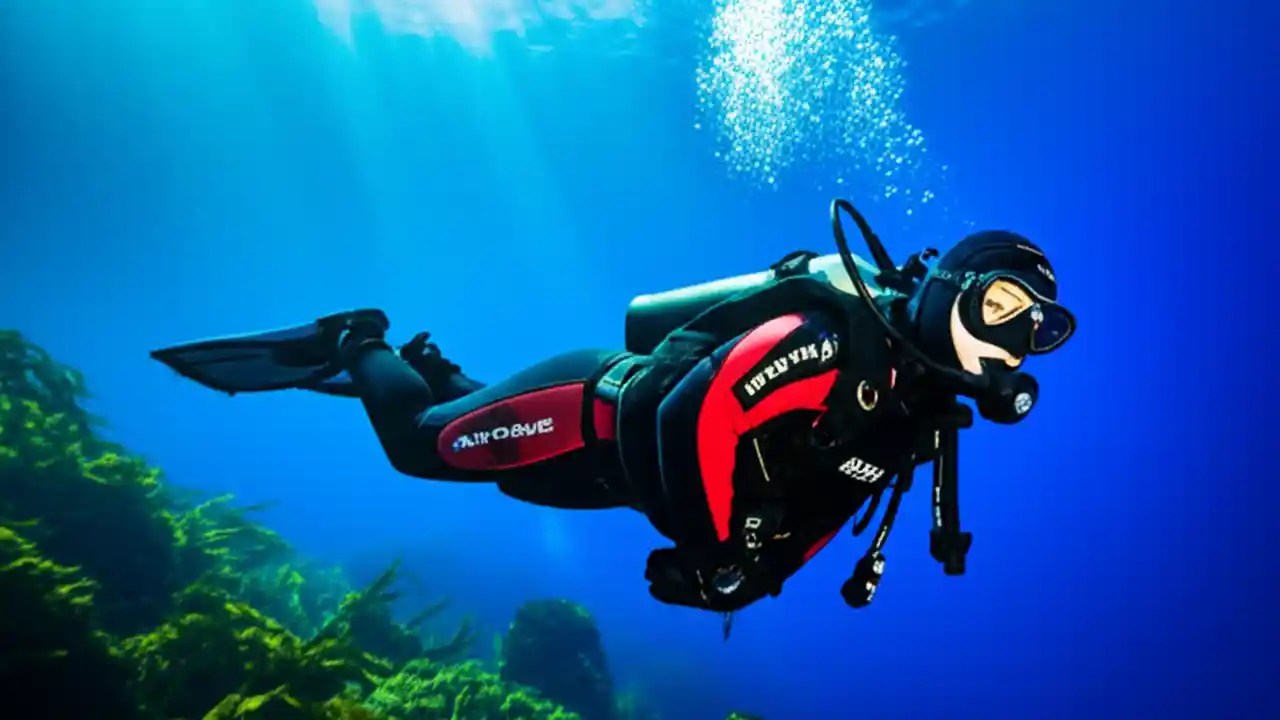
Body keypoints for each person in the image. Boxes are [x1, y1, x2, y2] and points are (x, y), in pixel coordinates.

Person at [152, 200, 1076, 616]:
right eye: (996, 305)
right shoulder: (839, 338)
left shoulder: (918, 415)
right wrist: (721, 555)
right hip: (591, 411)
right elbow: (694, 418)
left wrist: (760, 572)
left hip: (617, 476)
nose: (1008, 341)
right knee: (422, 450)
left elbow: (834, 503)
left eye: (1031, 330)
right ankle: (360, 339)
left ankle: (434, 363)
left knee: (483, 439)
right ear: (949, 288)